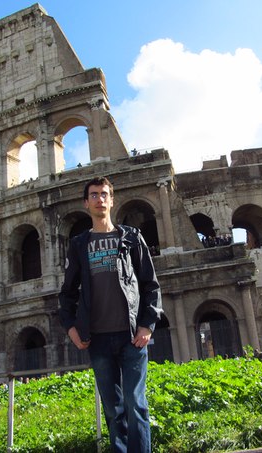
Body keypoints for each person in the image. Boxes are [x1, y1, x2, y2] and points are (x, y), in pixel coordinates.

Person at [59, 176, 163, 453]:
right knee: (112, 408)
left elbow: (150, 285)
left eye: (104, 194)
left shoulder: (131, 237)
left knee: (135, 403)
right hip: (98, 339)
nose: (100, 199)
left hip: (132, 336)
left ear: (112, 200)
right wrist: (71, 328)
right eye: (94, 195)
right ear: (86, 203)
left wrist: (147, 325)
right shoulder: (79, 244)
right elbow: (67, 292)